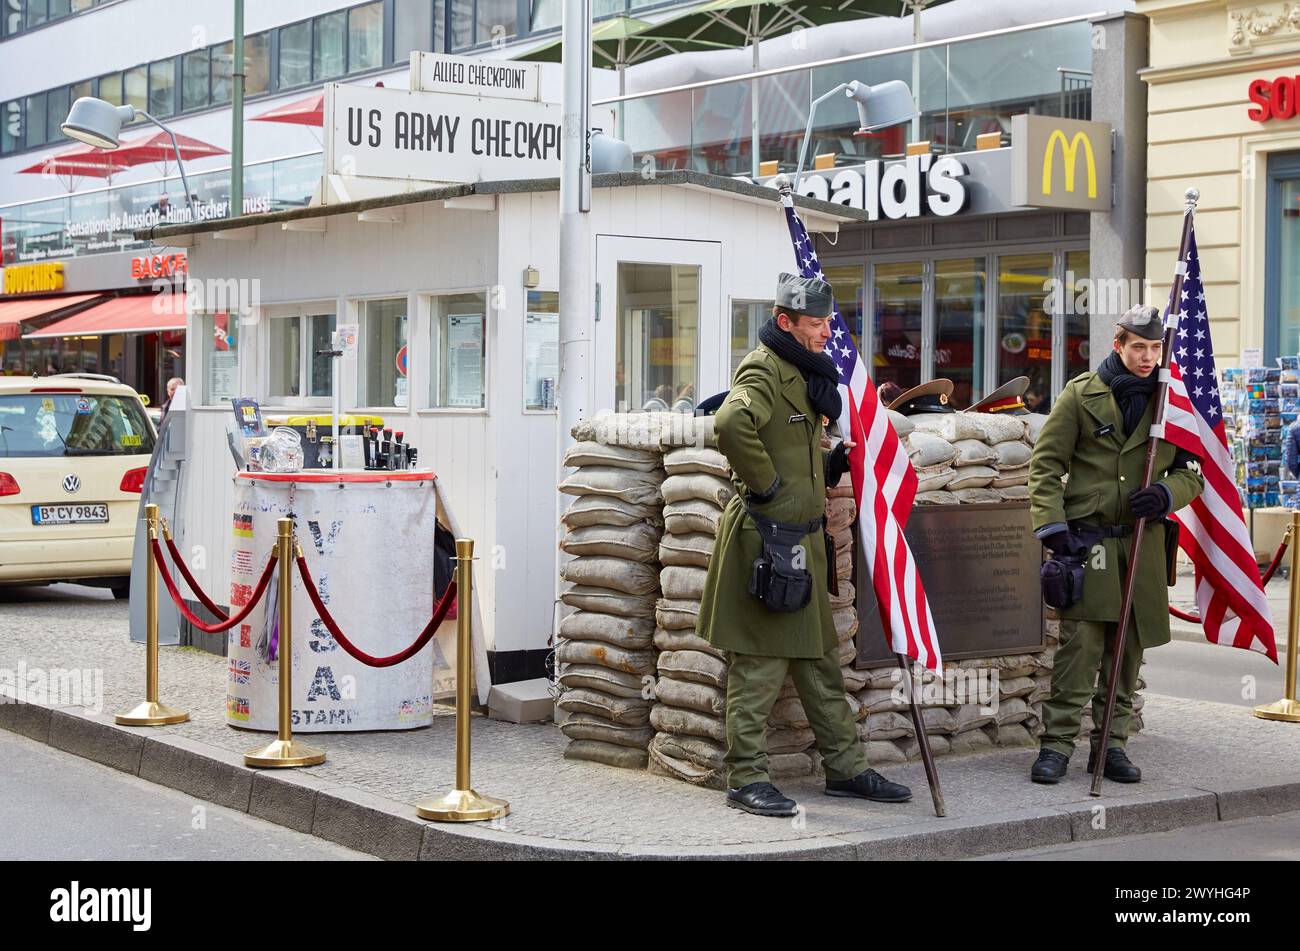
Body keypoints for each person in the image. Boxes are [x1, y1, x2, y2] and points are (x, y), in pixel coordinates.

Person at [698, 271, 912, 817]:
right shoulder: (766, 369)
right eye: (814, 324)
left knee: (819, 663)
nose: (823, 333)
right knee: (761, 664)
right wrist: (766, 486)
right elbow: (730, 423)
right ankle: (745, 778)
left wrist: (828, 463)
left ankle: (846, 769)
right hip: (769, 541)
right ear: (784, 322)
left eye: (825, 323)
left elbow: (790, 451)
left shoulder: (802, 373)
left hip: (802, 544)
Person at [1027, 304, 1205, 785]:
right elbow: (1045, 466)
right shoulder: (1080, 395)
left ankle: (1111, 746)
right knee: (1079, 650)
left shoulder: (1173, 403)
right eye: (1139, 347)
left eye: (1154, 348)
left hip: (1143, 543)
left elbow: (1193, 472)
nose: (1148, 357)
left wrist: (1167, 492)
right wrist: (1053, 527)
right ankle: (1057, 746)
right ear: (1118, 345)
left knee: (1126, 653)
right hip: (1090, 544)